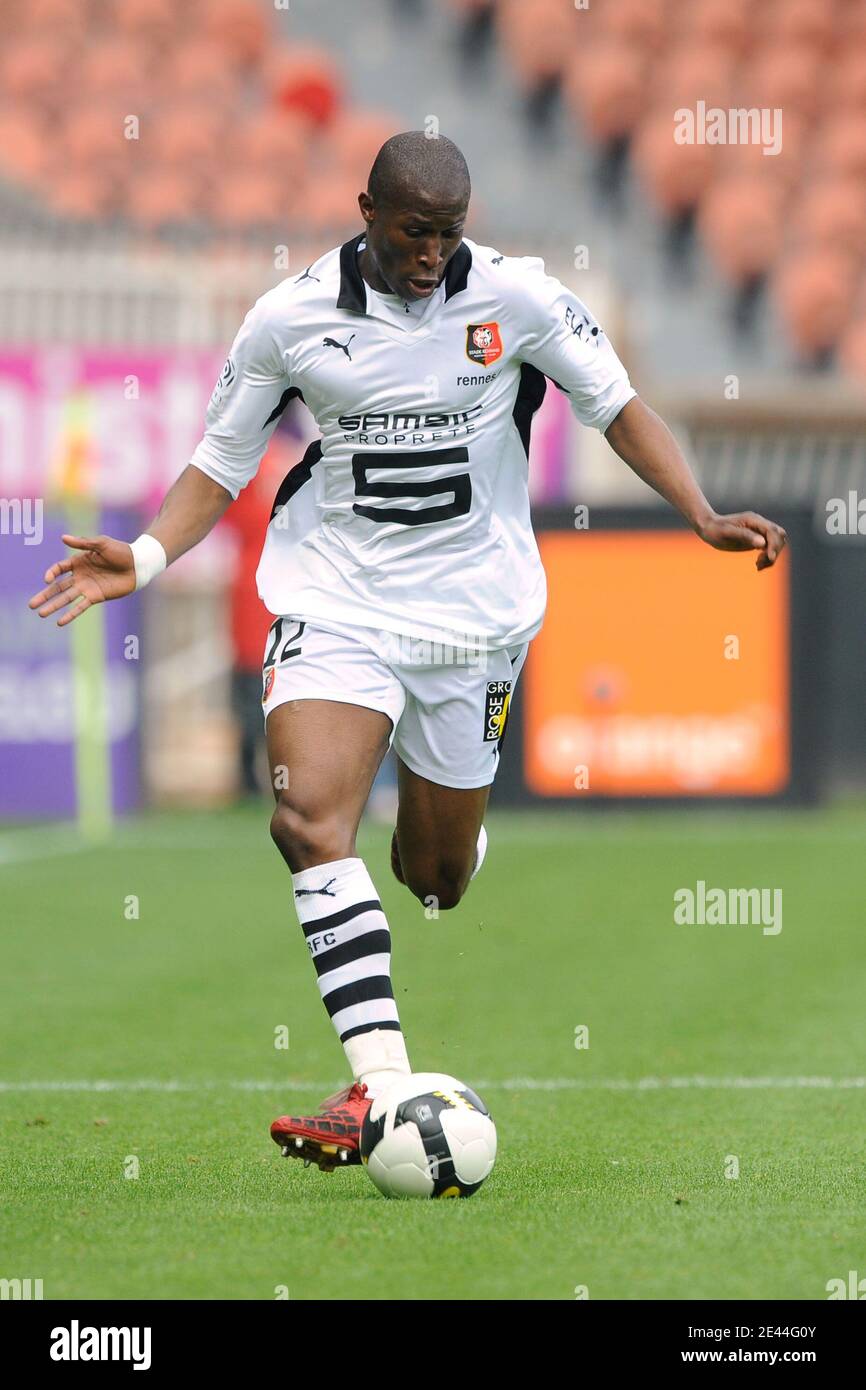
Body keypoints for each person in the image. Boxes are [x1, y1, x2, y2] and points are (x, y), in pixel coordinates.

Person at [29, 132, 787, 1172]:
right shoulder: (290, 318)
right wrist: (149, 554)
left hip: (473, 620)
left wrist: (697, 513)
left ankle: (445, 844)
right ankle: (382, 1084)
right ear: (366, 211)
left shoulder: (516, 300)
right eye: (412, 231)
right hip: (335, 598)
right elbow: (219, 457)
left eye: (449, 234)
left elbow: (614, 407)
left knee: (432, 880)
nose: (432, 253)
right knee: (304, 818)